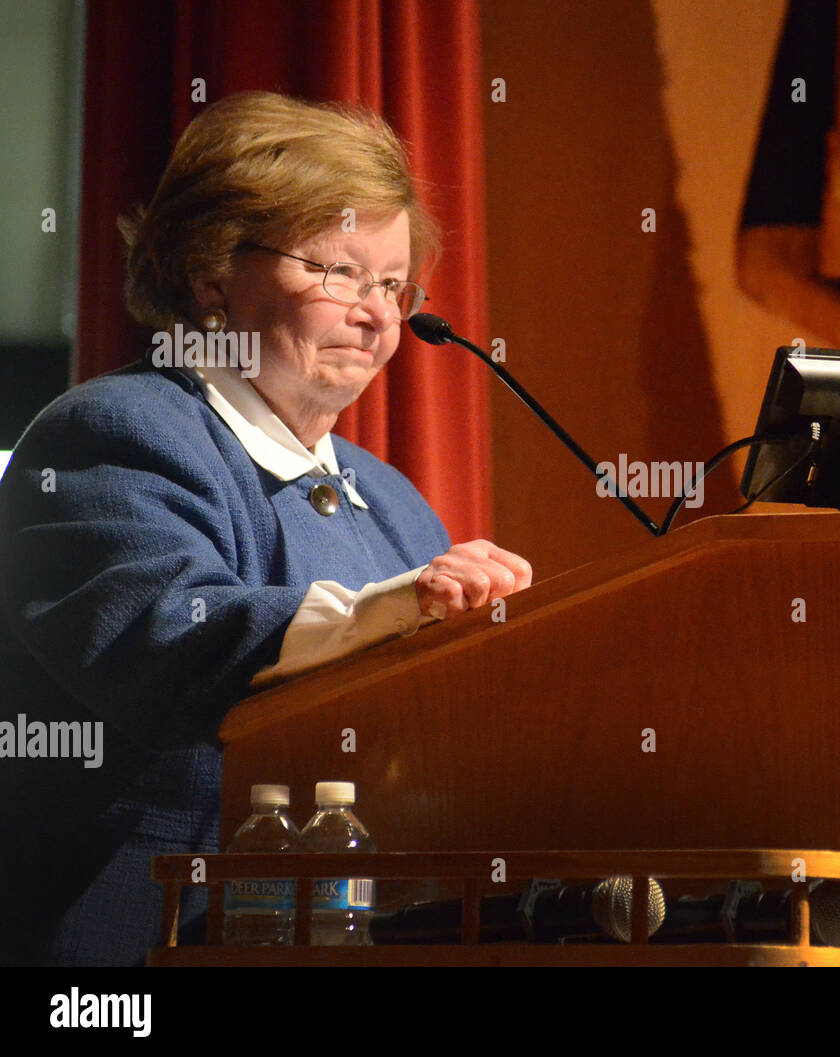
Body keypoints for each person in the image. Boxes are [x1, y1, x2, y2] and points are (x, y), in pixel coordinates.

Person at [0, 91, 531, 966]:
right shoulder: (111, 434)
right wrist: (387, 610)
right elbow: (165, 642)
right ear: (212, 275)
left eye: (395, 284)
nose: (381, 316)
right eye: (340, 274)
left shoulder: (394, 502)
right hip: (125, 952)